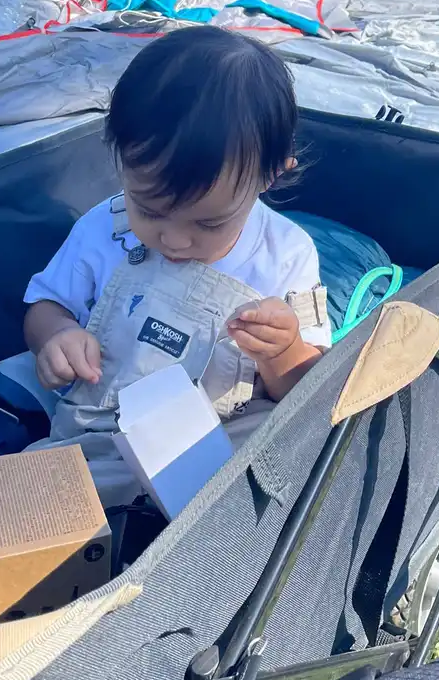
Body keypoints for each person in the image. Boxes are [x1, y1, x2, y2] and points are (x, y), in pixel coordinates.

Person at [23, 25, 331, 503]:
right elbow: (45, 303)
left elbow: (305, 388)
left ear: (271, 176)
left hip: (209, 448)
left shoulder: (286, 256)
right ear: (120, 157)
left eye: (208, 224)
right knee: (5, 410)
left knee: (276, 438)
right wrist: (56, 337)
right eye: (149, 209)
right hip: (99, 431)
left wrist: (283, 350)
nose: (174, 238)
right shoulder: (104, 227)